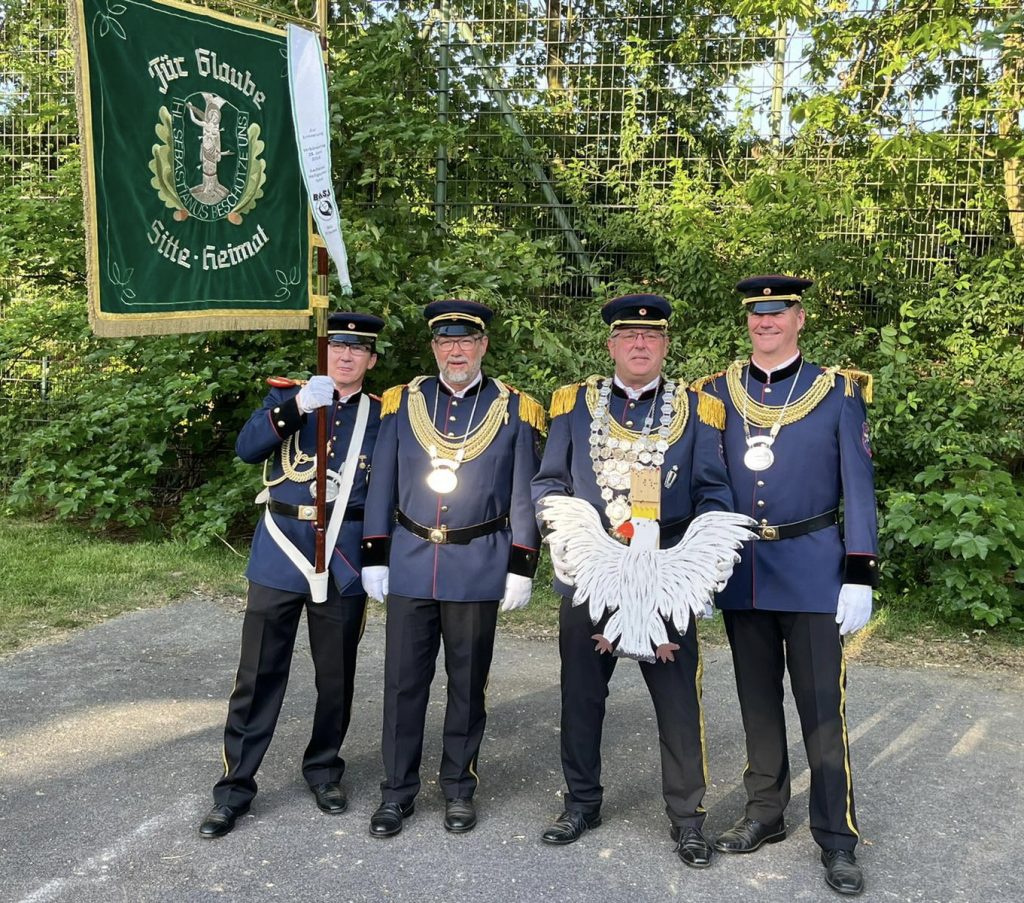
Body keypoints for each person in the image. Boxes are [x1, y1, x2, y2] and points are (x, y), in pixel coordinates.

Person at [531, 294, 734, 868]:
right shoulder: (576, 406)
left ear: (665, 345)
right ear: (611, 345)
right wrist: (560, 543)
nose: (639, 345)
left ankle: (687, 819)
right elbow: (548, 485)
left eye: (651, 337)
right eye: (628, 337)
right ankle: (581, 802)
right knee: (582, 693)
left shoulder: (695, 410)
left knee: (676, 698)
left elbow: (715, 490)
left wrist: (710, 552)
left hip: (664, 569)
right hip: (592, 569)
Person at [694, 275, 878, 896]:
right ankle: (765, 814)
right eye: (757, 315)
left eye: (778, 313)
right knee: (756, 703)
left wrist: (859, 570)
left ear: (800, 319)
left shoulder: (837, 392)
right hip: (742, 571)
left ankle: (837, 837)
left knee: (822, 709)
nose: (766, 323)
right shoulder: (714, 393)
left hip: (812, 569)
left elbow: (858, 486)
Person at [360, 298, 545, 837]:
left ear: (483, 345)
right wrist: (376, 555)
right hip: (413, 560)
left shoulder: (514, 409)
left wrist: (521, 565)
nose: (456, 350)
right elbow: (382, 485)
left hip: (478, 564)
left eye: (466, 341)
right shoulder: (403, 403)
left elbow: (523, 494)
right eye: (446, 341)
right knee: (402, 683)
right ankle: (396, 792)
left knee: (468, 685)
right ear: (434, 347)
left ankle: (459, 788)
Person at [198, 311, 384, 839]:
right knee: (257, 674)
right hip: (280, 550)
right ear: (324, 353)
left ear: (370, 360)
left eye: (357, 350)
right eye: (337, 347)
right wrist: (297, 407)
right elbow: (247, 448)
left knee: (336, 675)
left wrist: (377, 558)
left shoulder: (383, 414)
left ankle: (324, 769)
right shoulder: (287, 398)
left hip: (343, 557)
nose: (345, 356)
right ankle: (235, 787)